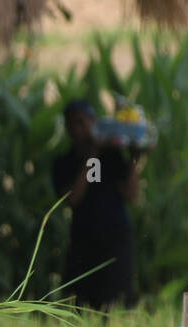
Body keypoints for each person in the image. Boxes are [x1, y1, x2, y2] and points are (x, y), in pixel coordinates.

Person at [52, 99, 143, 313]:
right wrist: (92, 156)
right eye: (73, 124)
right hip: (85, 241)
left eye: (83, 123)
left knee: (117, 302)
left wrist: (134, 160)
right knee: (82, 303)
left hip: (115, 239)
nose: (78, 129)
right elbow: (74, 198)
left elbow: (131, 195)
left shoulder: (112, 158)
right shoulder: (64, 162)